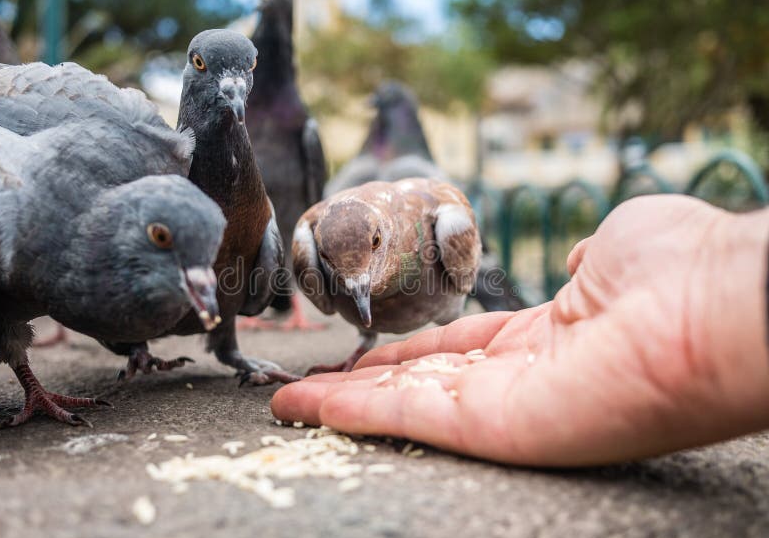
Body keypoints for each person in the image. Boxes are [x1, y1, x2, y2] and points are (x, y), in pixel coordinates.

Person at [271, 195, 769, 466]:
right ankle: (365, 344)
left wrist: (711, 279)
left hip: (437, 304)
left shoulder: (442, 221)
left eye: (369, 258)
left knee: (449, 334)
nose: (354, 288)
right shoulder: (310, 241)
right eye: (343, 274)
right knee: (364, 321)